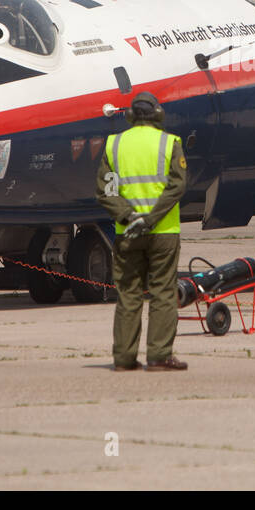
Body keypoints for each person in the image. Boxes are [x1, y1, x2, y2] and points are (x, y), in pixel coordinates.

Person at [95, 91, 188, 370]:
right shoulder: (170, 143)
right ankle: (159, 356)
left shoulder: (114, 145)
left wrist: (128, 216)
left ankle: (124, 359)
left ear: (130, 116)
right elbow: (177, 186)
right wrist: (151, 219)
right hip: (164, 233)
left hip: (126, 233)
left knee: (128, 294)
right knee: (162, 292)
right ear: (157, 114)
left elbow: (105, 191)